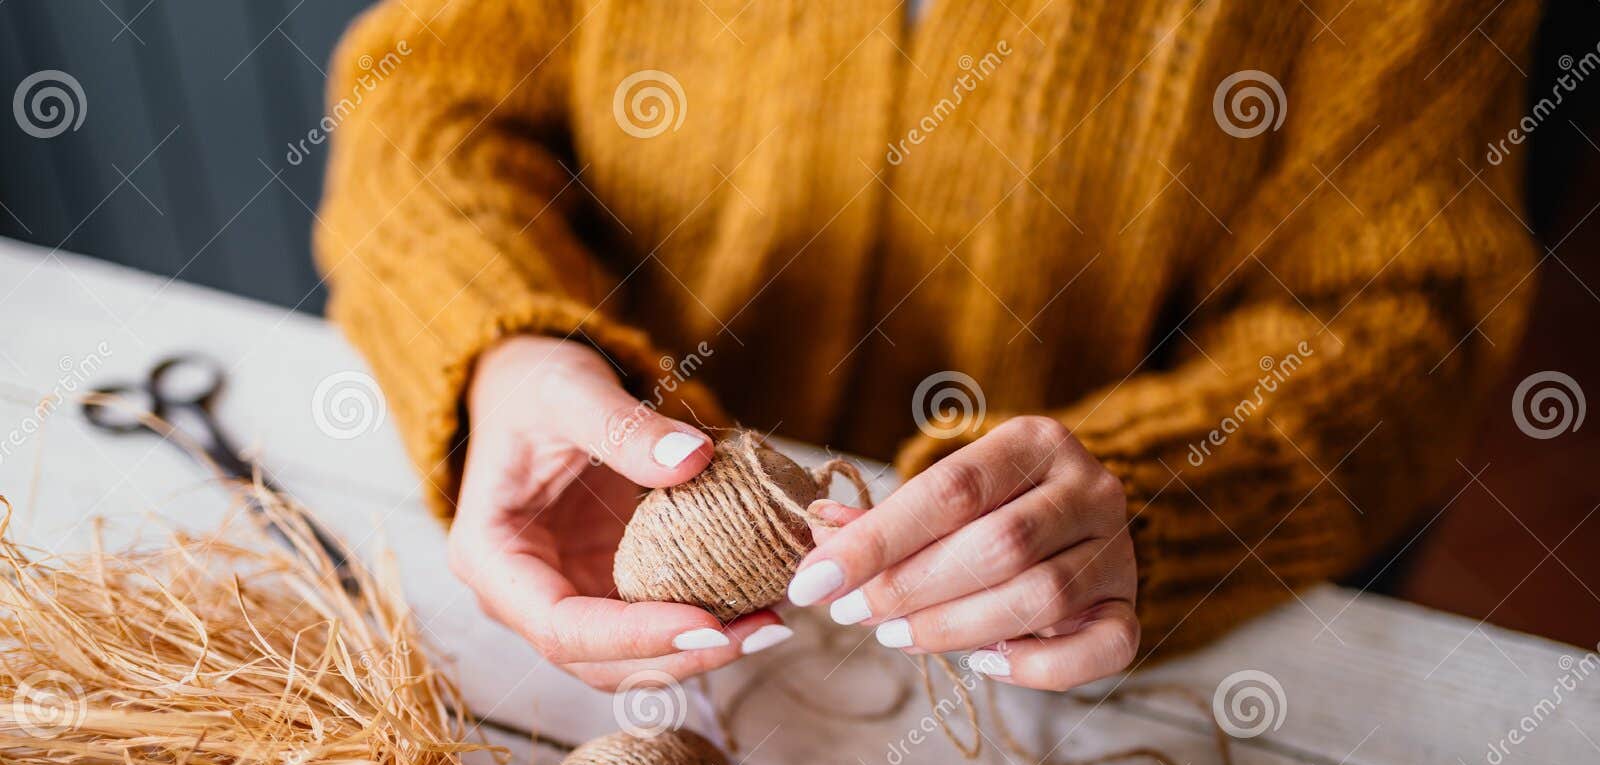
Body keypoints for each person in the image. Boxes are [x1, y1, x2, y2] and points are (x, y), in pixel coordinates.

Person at [316, 0, 1539, 693]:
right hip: (630, 548)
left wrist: (1148, 498)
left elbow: (1402, 314)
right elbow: (424, 99)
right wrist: (507, 345)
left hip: (1072, 675)